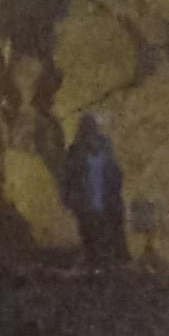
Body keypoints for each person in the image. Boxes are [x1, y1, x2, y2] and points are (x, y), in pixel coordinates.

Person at [63, 111, 127, 273]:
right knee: (90, 236)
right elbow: (70, 176)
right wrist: (70, 198)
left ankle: (107, 267)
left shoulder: (105, 145)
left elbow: (113, 170)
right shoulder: (76, 150)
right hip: (86, 201)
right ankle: (94, 267)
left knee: (107, 235)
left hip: (106, 199)